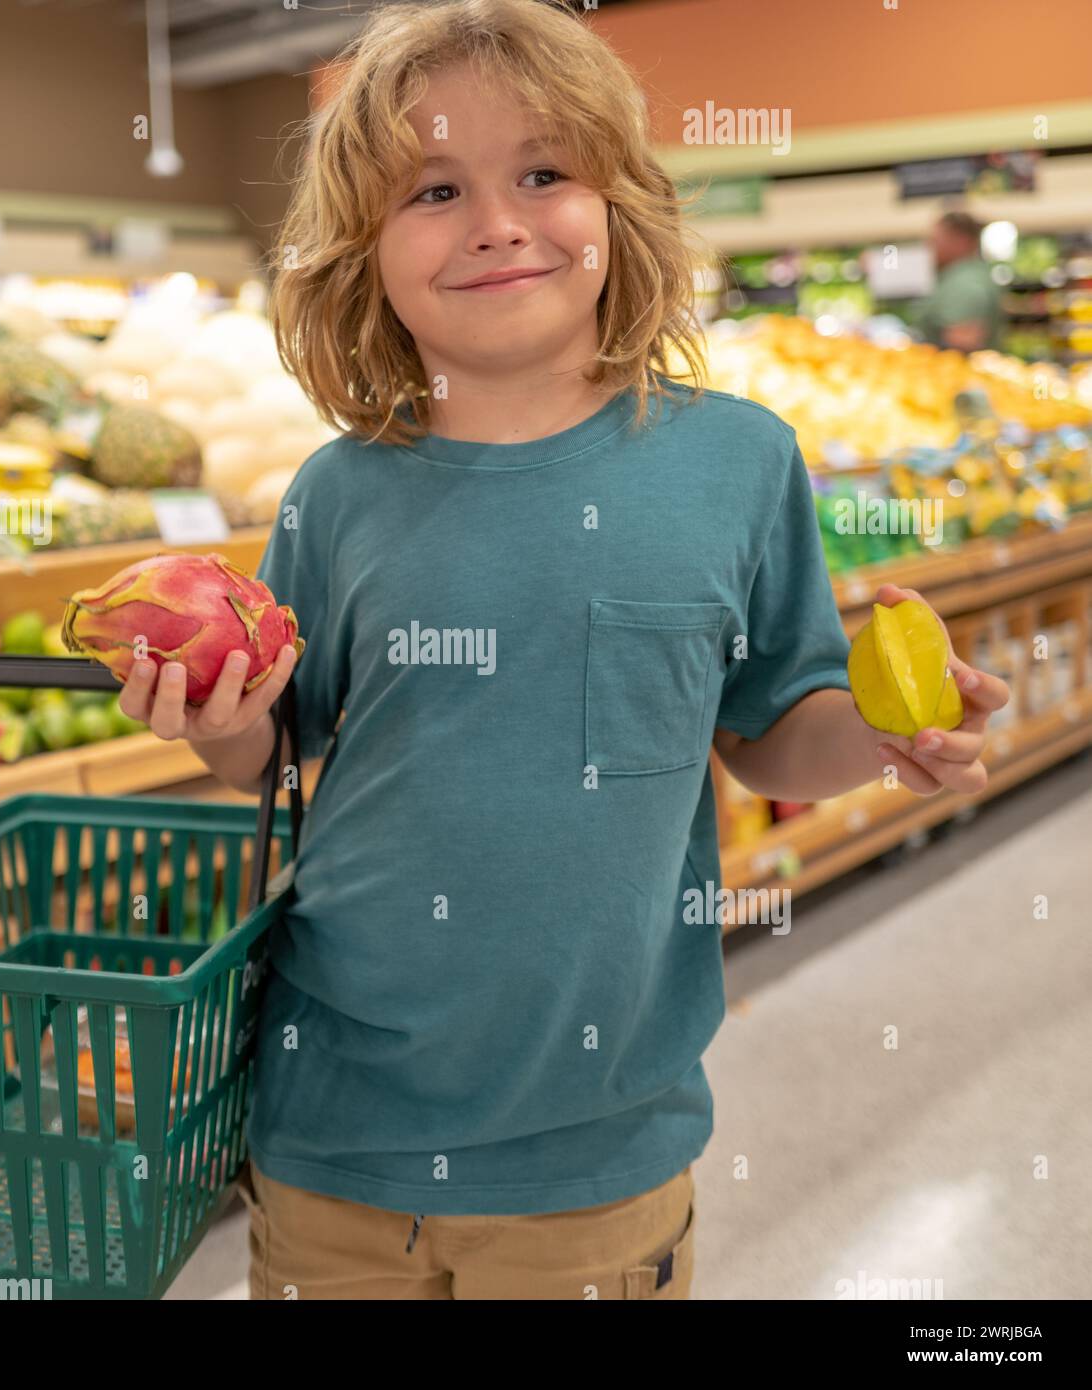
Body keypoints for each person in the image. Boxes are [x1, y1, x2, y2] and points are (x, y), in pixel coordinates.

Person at [118, 0, 1010, 1299]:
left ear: (622, 209)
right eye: (434, 188)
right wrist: (212, 720)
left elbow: (774, 726)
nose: (495, 219)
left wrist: (881, 737)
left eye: (544, 171)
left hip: (595, 1155)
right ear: (364, 250)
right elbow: (274, 745)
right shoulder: (336, 491)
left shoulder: (735, 461)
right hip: (335, 1133)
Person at [914, 210, 1005, 352]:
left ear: (960, 241)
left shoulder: (965, 283)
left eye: (935, 240)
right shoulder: (967, 275)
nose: (928, 246)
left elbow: (964, 344)